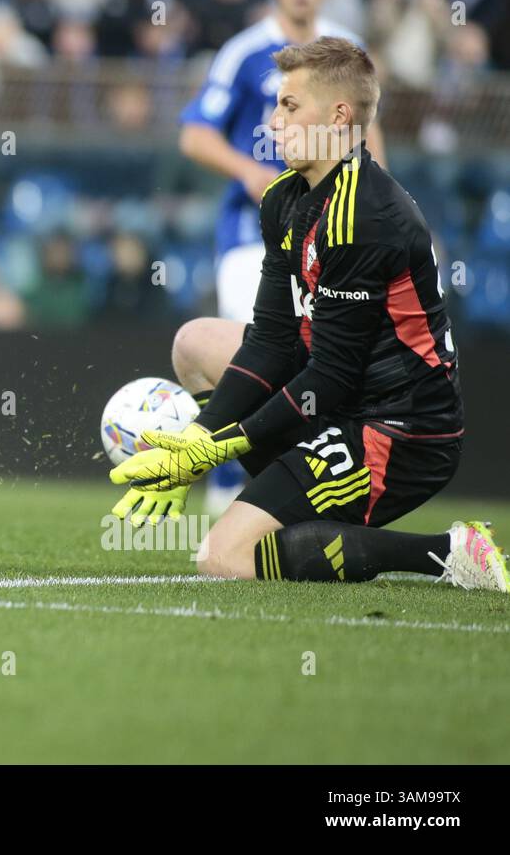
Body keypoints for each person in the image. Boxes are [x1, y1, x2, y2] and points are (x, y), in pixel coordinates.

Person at [111, 37, 506, 592]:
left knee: (222, 558)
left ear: (339, 116)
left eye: (289, 107)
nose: (272, 123)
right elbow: (272, 342)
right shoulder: (283, 200)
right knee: (196, 342)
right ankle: (298, 495)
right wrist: (194, 442)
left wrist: (226, 443)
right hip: (341, 397)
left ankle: (448, 551)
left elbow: (330, 376)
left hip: (401, 428)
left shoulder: (366, 217)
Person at [177, 0, 386, 513]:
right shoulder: (245, 51)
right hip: (254, 235)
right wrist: (248, 171)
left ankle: (297, 482)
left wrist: (385, 214)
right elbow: (194, 134)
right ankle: (226, 483)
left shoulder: (348, 54)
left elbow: (371, 141)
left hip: (331, 233)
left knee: (312, 356)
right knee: (254, 348)